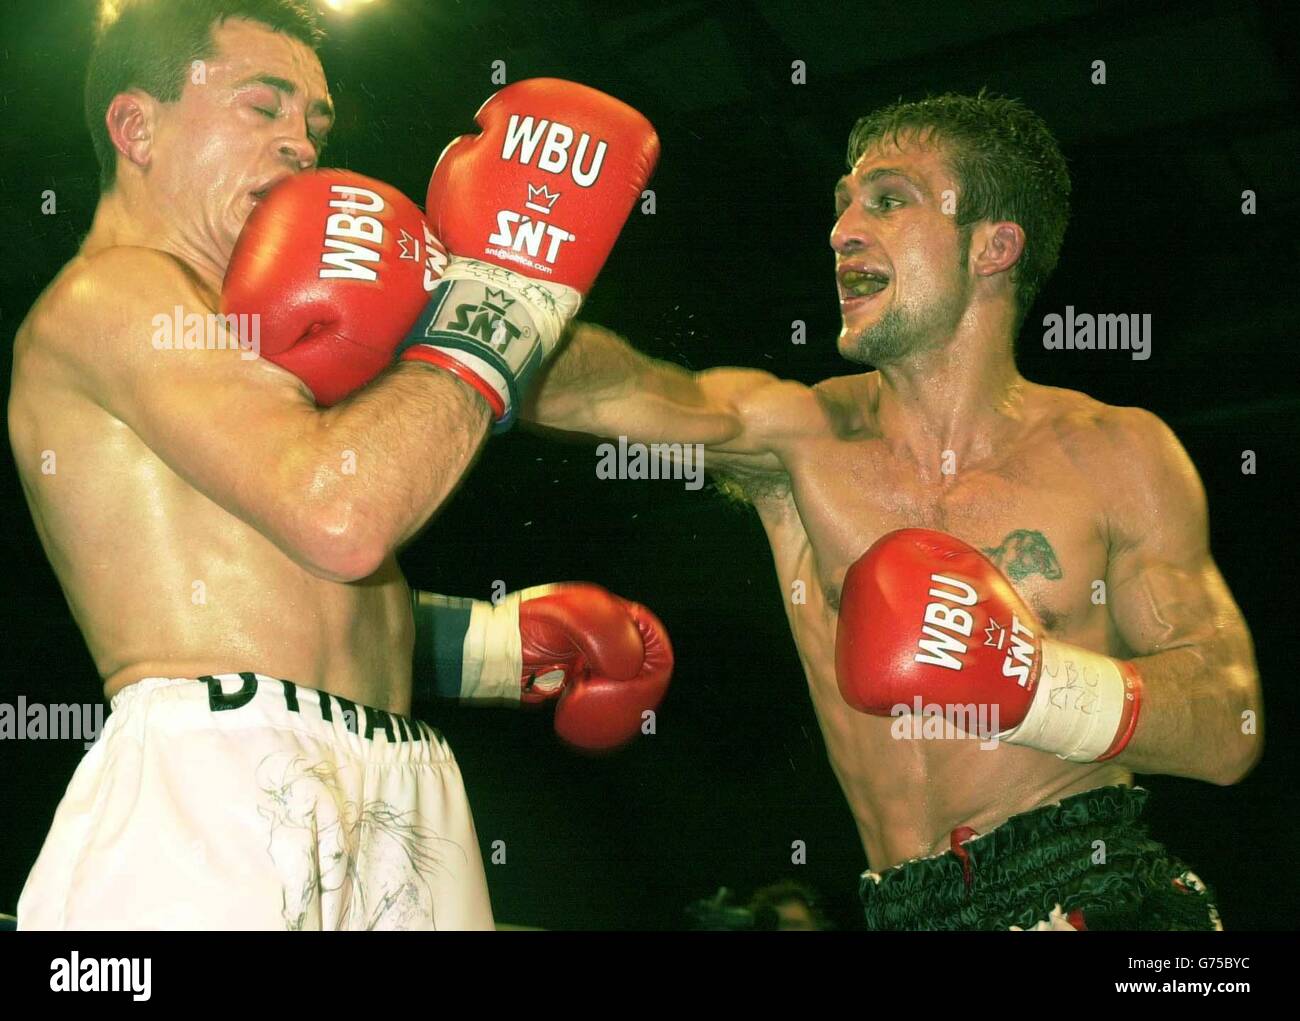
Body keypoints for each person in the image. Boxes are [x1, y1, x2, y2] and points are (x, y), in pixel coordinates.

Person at [524, 91, 1261, 930]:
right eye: (841, 205)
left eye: (887, 199)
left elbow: (1228, 726)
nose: (841, 231)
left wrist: (1031, 682)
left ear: (994, 245)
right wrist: (480, 299)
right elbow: (614, 391)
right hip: (902, 907)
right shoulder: (799, 439)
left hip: (1092, 884)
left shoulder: (1116, 452)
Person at [9, 0, 662, 929]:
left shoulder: (258, 327)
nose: (302, 145)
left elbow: (285, 584)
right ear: (136, 126)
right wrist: (504, 294)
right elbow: (342, 517)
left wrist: (484, 646)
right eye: (261, 106)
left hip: (391, 769)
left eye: (314, 121)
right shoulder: (113, 295)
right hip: (217, 780)